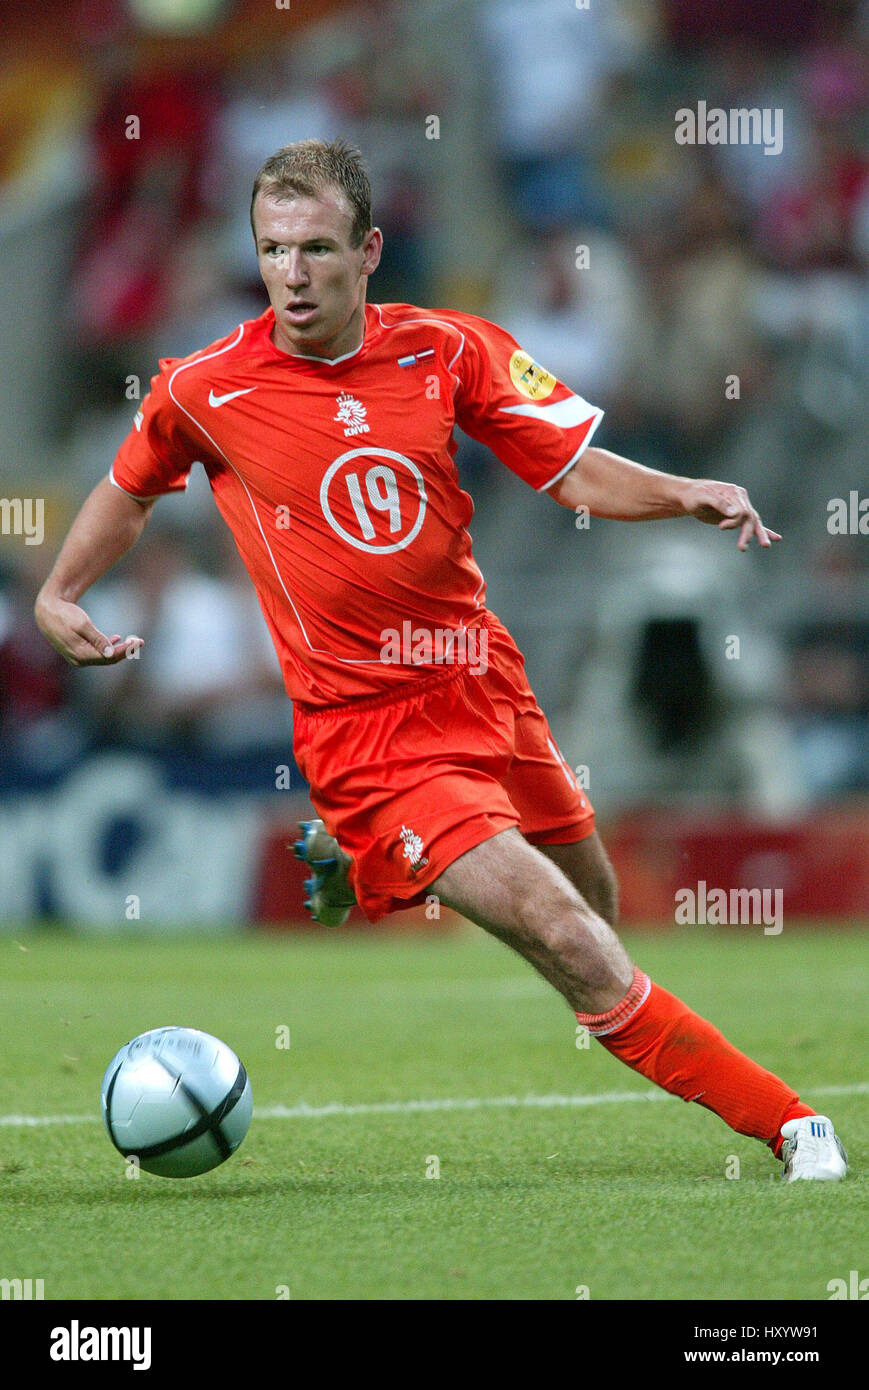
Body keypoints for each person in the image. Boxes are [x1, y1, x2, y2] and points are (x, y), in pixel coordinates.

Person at [35, 139, 847, 1182]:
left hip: (481, 677)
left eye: (317, 249)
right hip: (369, 735)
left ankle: (357, 857)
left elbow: (572, 471)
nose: (292, 274)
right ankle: (791, 1126)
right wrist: (61, 590)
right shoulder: (205, 387)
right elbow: (129, 486)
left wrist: (681, 491)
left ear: (369, 251)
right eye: (273, 250)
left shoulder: (448, 349)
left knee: (593, 901)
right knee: (568, 939)